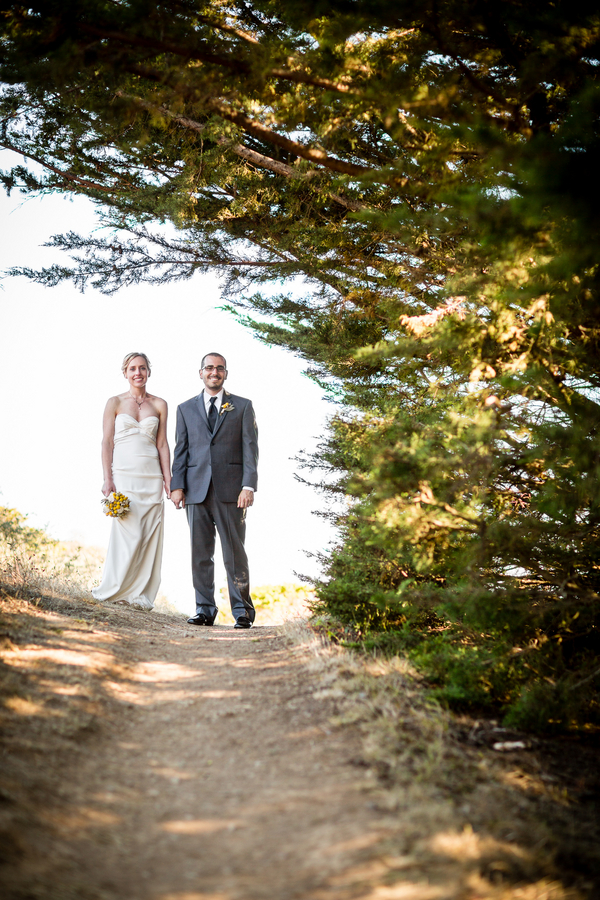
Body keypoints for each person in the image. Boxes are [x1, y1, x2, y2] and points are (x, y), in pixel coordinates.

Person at [170, 353, 258, 628]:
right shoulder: (184, 409)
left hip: (232, 491)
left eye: (219, 368)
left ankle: (242, 611)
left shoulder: (242, 406)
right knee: (200, 554)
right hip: (195, 491)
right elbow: (181, 450)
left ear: (225, 374)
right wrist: (177, 486)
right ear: (201, 373)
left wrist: (248, 485)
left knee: (234, 553)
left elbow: (251, 449)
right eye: (209, 368)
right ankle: (204, 610)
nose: (214, 372)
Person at [92, 353, 170, 609]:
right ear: (125, 372)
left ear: (149, 371)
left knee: (148, 535)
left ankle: (139, 594)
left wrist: (169, 480)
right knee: (127, 532)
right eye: (133, 368)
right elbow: (106, 442)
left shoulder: (160, 404)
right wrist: (107, 478)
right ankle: (115, 588)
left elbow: (162, 444)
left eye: (143, 368)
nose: (138, 373)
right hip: (124, 475)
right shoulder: (114, 402)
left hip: (152, 477)